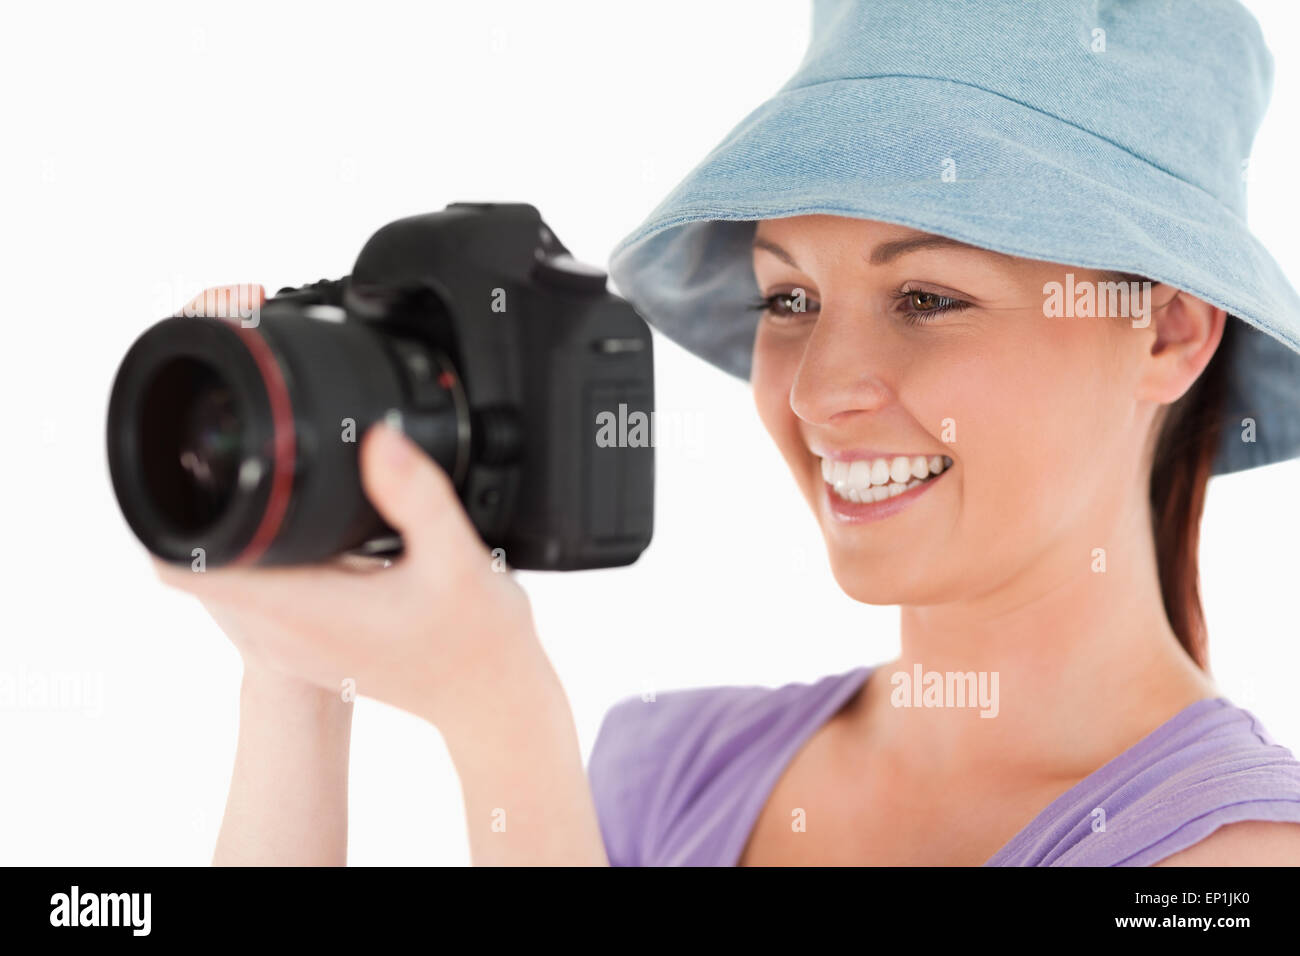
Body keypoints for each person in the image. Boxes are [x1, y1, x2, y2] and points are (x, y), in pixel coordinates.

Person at [156, 0, 1300, 865]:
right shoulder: (667, 769)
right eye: (789, 300)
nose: (817, 391)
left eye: (928, 299)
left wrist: (500, 716)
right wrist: (290, 672)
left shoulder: (1225, 859)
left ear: (1166, 330)